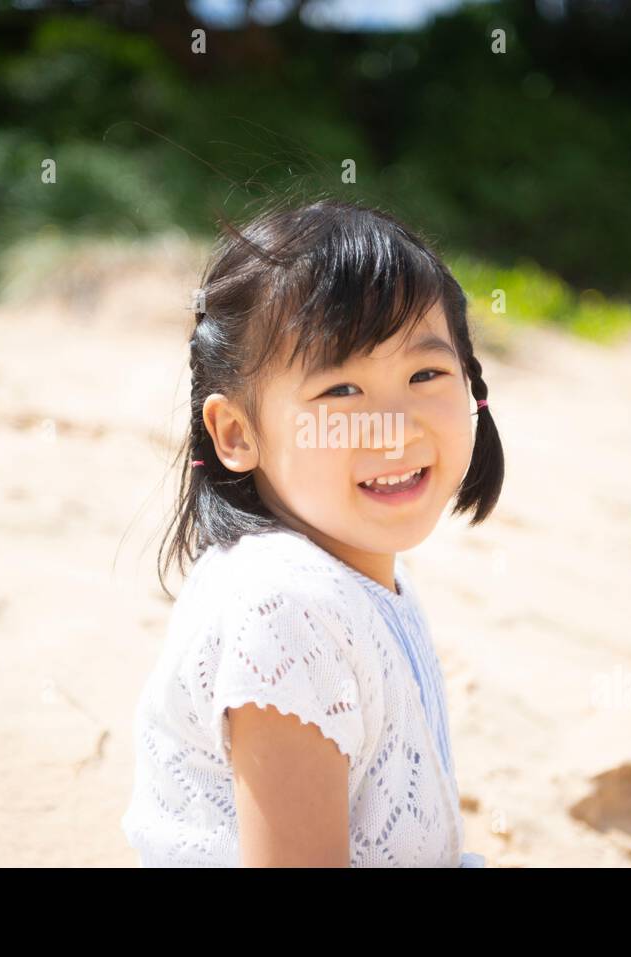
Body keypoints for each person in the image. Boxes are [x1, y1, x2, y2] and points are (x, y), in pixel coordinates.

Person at [120, 196, 503, 867]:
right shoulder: (286, 606)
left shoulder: (357, 575)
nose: (396, 425)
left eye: (425, 374)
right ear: (237, 433)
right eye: (341, 392)